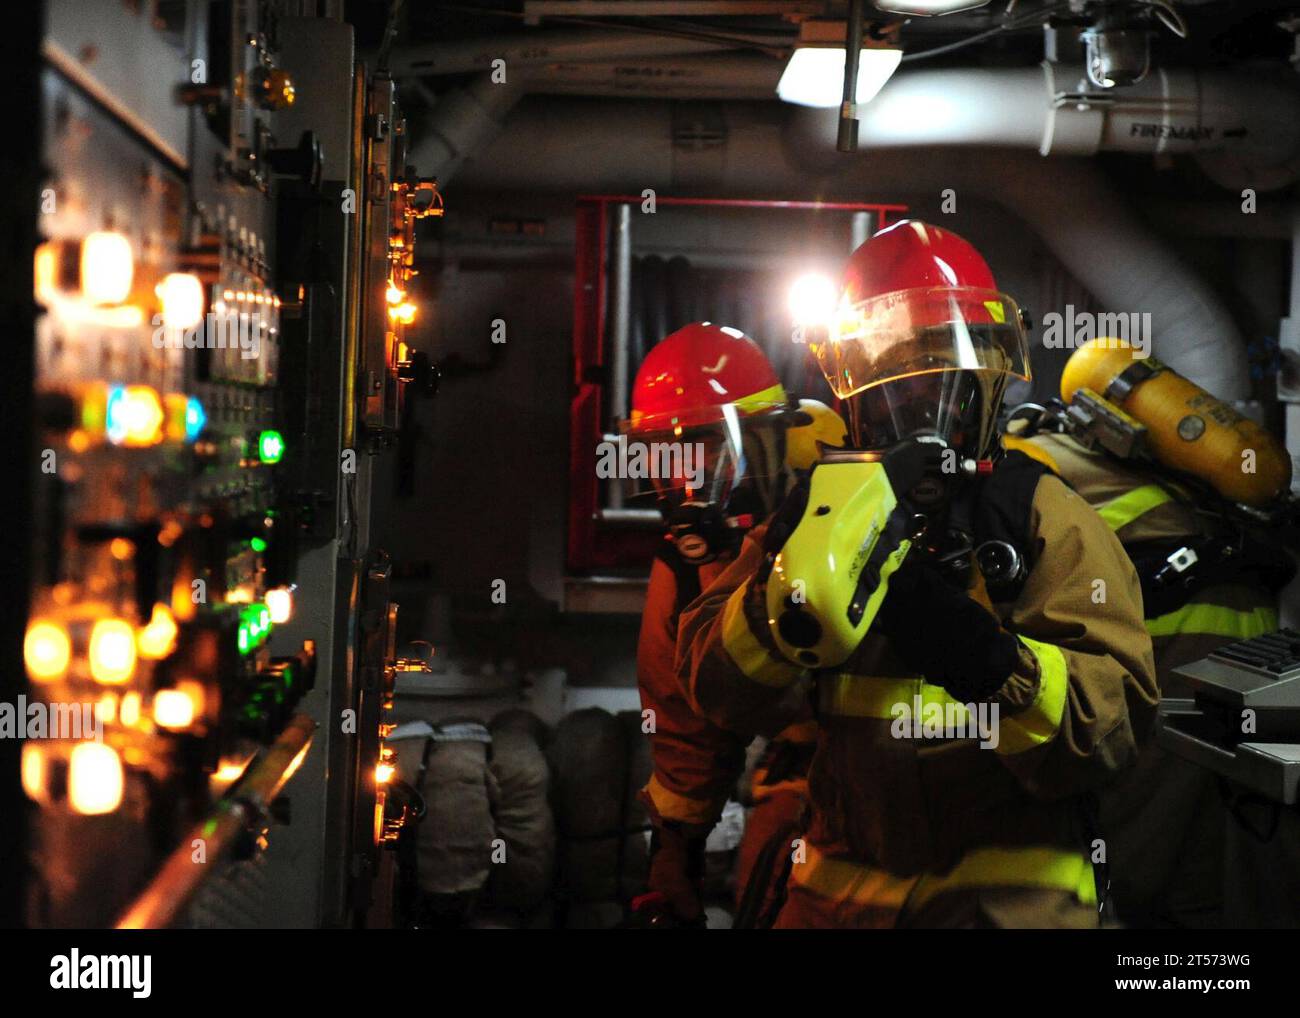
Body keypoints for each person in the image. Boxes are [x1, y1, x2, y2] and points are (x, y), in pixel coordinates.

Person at [674, 221, 1159, 928]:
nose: (919, 412)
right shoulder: (819, 514)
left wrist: (988, 662)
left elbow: (1108, 735)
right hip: (841, 897)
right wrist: (790, 584)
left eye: (942, 382)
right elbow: (714, 691)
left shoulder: (1037, 514)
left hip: (1011, 899)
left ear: (984, 385)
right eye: (893, 386)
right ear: (855, 396)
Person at [1005, 338, 1294, 927]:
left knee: (1123, 880)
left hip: (1163, 669)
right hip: (1246, 664)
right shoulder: (1149, 463)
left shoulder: (1020, 469)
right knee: (1207, 880)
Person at [620, 322, 844, 926]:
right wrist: (673, 858)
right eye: (672, 457)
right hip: (799, 780)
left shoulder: (842, 513)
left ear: (772, 444)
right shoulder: (687, 564)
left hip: (907, 780)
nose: (691, 481)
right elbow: (683, 724)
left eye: (714, 449)